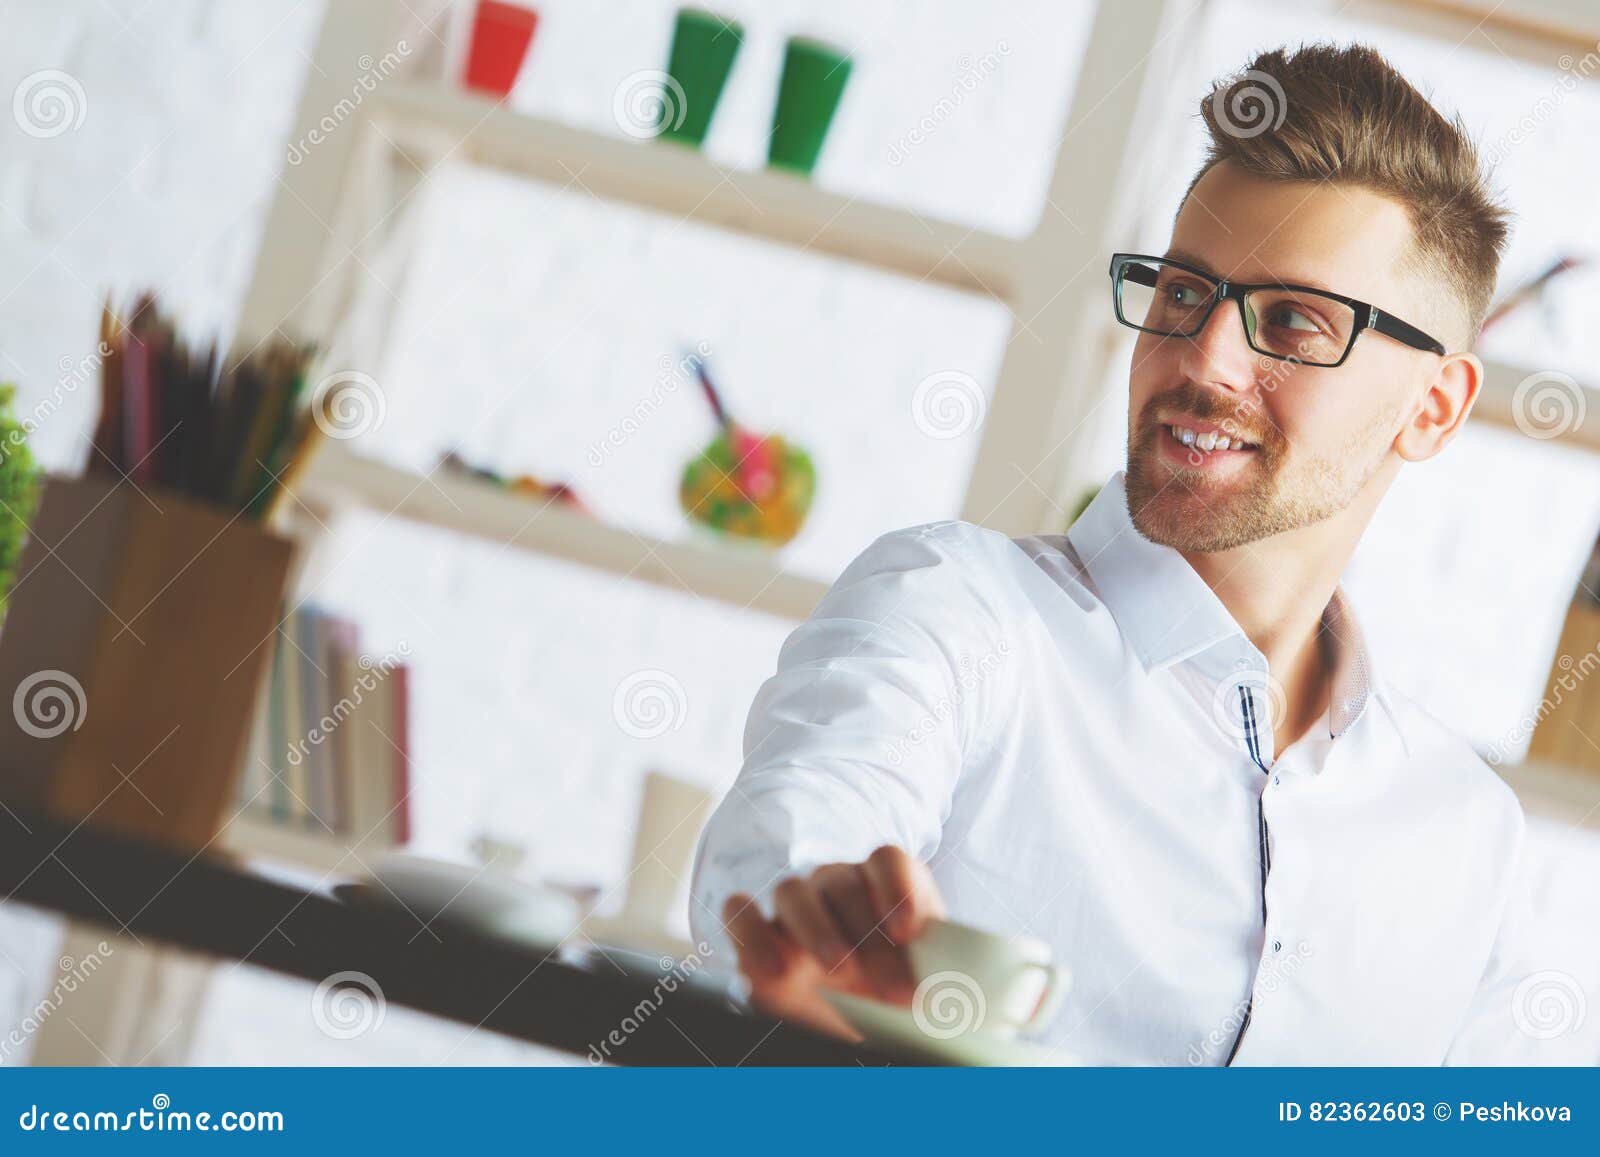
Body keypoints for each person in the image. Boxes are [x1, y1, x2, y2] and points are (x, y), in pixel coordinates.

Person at [689, 42, 1570, 1064]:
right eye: (1182, 293)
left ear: (1432, 405)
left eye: (1290, 319)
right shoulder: (958, 615)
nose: (1202, 358)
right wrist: (807, 909)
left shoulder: (1464, 832)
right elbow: (799, 825)